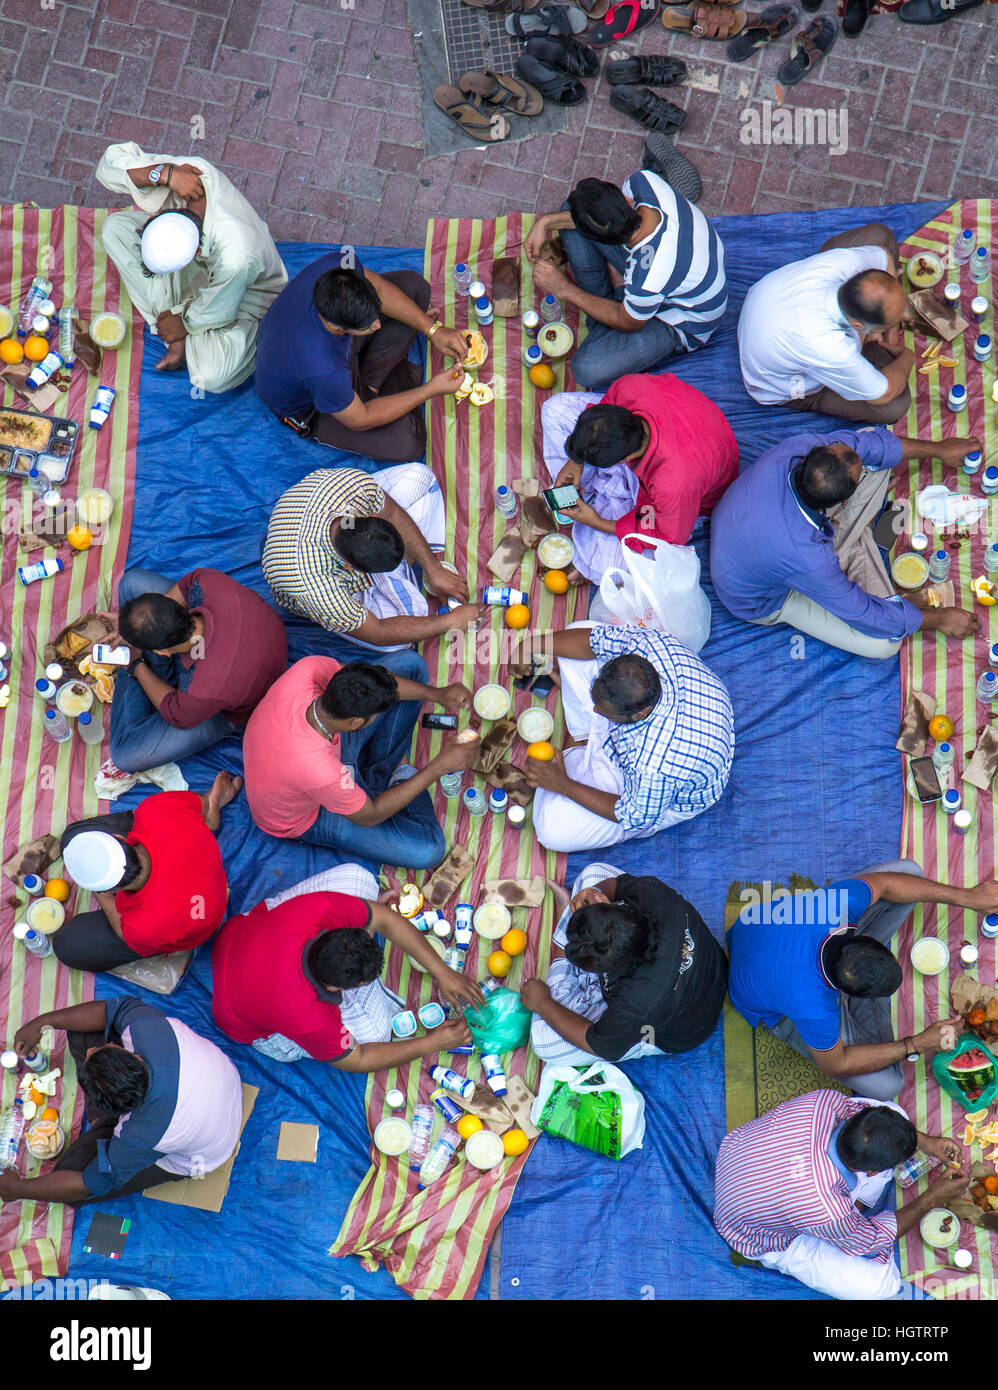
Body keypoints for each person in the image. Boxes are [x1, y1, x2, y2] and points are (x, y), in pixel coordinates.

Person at [725, 859, 998, 1099]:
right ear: (843, 995)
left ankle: (866, 1007)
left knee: (908, 872)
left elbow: (889, 883)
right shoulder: (815, 1009)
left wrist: (967, 898)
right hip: (761, 998)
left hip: (751, 930)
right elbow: (835, 1065)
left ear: (865, 938)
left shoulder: (839, 906)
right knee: (887, 1086)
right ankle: (865, 1018)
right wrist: (914, 1044)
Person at [710, 428, 982, 660]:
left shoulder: (794, 451)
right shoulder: (809, 557)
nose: (838, 446)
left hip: (749, 534)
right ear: (842, 504)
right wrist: (938, 620)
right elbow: (861, 613)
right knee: (885, 643)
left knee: (872, 449)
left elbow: (864, 446)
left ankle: (858, 547)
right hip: (763, 597)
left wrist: (939, 449)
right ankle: (861, 549)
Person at [211, 863, 482, 1068]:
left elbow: (385, 919)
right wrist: (432, 1043)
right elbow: (359, 1059)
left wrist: (443, 972)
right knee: (378, 1032)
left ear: (333, 931)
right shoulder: (311, 1019)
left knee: (359, 876)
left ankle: (363, 937)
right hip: (239, 1018)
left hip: (235, 939)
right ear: (332, 987)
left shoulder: (315, 911)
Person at [713, 1089, 968, 1300]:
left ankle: (852, 1213)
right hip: (753, 1231)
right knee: (880, 1287)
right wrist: (930, 1199)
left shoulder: (824, 1102)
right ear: (870, 1171)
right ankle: (846, 1222)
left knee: (896, 1115)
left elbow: (864, 1115)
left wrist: (926, 1142)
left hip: (737, 1157)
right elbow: (871, 1242)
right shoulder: (827, 1210)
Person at [0, 997, 244, 1207]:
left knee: (72, 1183)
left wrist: (18, 1189)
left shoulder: (140, 1136)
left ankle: (100, 1123)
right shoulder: (146, 1027)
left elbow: (89, 1185)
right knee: (80, 1031)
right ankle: (100, 1124)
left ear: (121, 1114)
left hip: (207, 1154)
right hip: (225, 1081)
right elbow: (106, 1011)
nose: (89, 1053)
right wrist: (42, 1023)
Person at [242, 654, 478, 870]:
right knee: (428, 851)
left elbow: (370, 684)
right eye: (375, 715)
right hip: (305, 813)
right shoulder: (320, 770)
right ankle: (395, 772)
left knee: (411, 665)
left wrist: (436, 694)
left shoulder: (308, 671)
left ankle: (379, 770)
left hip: (313, 755)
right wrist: (439, 767)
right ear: (355, 723)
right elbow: (370, 815)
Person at [516, 623, 734, 852]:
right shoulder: (650, 647)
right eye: (597, 705)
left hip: (658, 791)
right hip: (677, 730)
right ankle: (586, 741)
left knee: (553, 831)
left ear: (640, 714)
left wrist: (564, 785)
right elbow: (593, 641)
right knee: (576, 636)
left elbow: (635, 815)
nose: (596, 711)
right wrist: (528, 645)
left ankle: (582, 747)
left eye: (604, 711)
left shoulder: (653, 765)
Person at [95, 142, 287, 391]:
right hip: (199, 275)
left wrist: (183, 324)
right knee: (115, 229)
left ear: (196, 253)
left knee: (210, 376)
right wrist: (163, 173)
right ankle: (174, 326)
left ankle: (174, 327)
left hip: (243, 295)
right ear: (155, 217)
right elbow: (108, 165)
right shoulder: (185, 174)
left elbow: (219, 309)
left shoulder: (236, 257)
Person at [254, 249, 469, 462]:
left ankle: (369, 386)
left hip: (332, 364)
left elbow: (380, 287)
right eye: (367, 326)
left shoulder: (337, 267)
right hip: (311, 405)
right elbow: (361, 419)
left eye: (375, 316)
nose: (377, 324)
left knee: (415, 288)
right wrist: (431, 389)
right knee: (408, 443)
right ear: (337, 326)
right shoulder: (321, 368)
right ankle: (367, 391)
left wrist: (433, 330)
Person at [523, 172, 727, 390]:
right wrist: (546, 223)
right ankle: (610, 307)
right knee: (573, 211)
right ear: (626, 200)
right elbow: (584, 218)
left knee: (586, 369)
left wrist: (563, 288)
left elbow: (627, 323)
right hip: (667, 274)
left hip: (682, 319)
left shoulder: (649, 278)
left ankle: (610, 308)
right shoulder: (643, 182)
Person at [262, 464, 482, 655]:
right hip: (313, 573)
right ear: (351, 568)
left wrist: (433, 568)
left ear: (372, 516)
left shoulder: (349, 487)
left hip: (317, 520)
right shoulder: (315, 587)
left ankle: (405, 570)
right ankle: (403, 572)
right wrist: (449, 622)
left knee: (421, 476)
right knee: (403, 638)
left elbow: (393, 512)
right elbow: (379, 631)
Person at [524, 861, 727, 1065]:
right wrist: (595, 892)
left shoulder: (636, 1003)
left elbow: (598, 1044)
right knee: (592, 875)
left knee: (543, 1040)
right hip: (709, 969)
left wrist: (543, 1002)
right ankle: (568, 925)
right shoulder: (655, 898)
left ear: (603, 972)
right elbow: (617, 885)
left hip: (686, 1028)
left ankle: (561, 942)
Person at [540, 373, 738, 582]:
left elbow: (665, 537)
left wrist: (598, 522)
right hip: (672, 438)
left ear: (627, 459)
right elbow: (602, 412)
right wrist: (575, 461)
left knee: (603, 569)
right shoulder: (630, 388)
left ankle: (601, 503)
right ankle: (599, 488)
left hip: (678, 497)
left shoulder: (674, 483)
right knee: (554, 410)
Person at [51, 774, 240, 974]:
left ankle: (207, 816)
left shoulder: (142, 927)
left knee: (66, 946)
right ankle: (211, 809)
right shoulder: (155, 809)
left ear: (111, 890)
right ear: (117, 837)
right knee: (72, 839)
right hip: (204, 895)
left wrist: (103, 897)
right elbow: (198, 804)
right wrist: (207, 803)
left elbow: (123, 931)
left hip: (196, 924)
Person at [107, 565, 288, 774]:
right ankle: (148, 654)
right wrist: (136, 625)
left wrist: (136, 665)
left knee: (124, 755)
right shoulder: (206, 582)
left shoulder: (201, 692)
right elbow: (183, 588)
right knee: (132, 582)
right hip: (264, 639)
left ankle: (137, 666)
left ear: (164, 652)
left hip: (235, 707)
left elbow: (175, 712)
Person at [738, 222, 914, 424]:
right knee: (894, 406)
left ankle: (870, 336)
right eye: (890, 324)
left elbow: (883, 256)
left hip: (764, 306)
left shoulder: (840, 264)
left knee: (879, 235)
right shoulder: (828, 347)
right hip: (773, 382)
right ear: (857, 325)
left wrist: (890, 332)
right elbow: (883, 395)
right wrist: (906, 357)